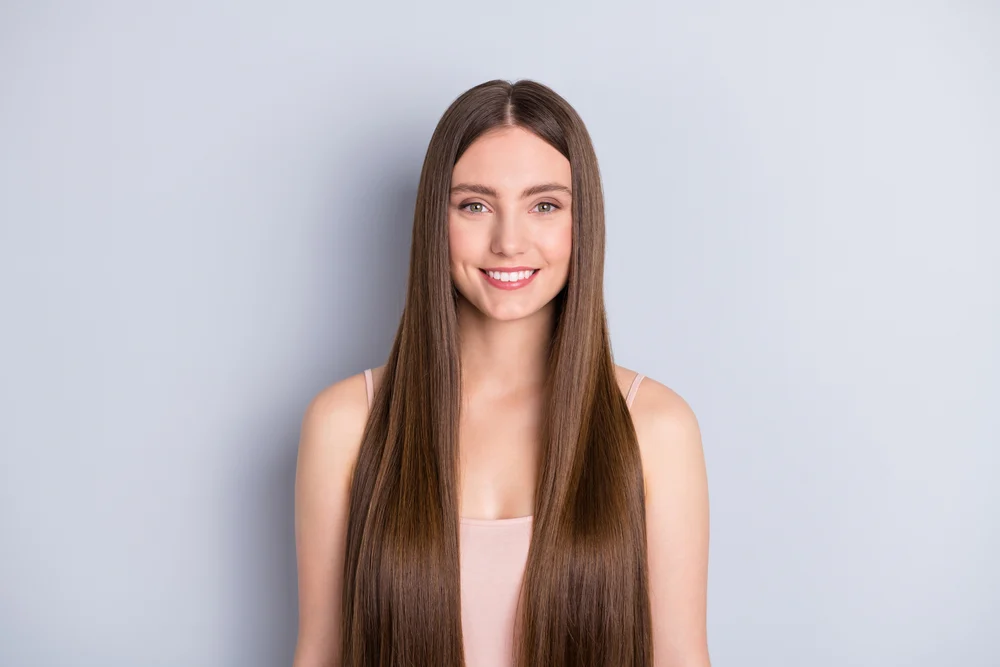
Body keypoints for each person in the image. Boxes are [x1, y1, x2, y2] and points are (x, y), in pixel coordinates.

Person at [292, 79, 710, 667]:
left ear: (581, 221)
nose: (509, 241)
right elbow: (320, 655)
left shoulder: (657, 427)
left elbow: (681, 658)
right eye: (475, 205)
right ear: (435, 221)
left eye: (544, 205)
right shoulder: (345, 423)